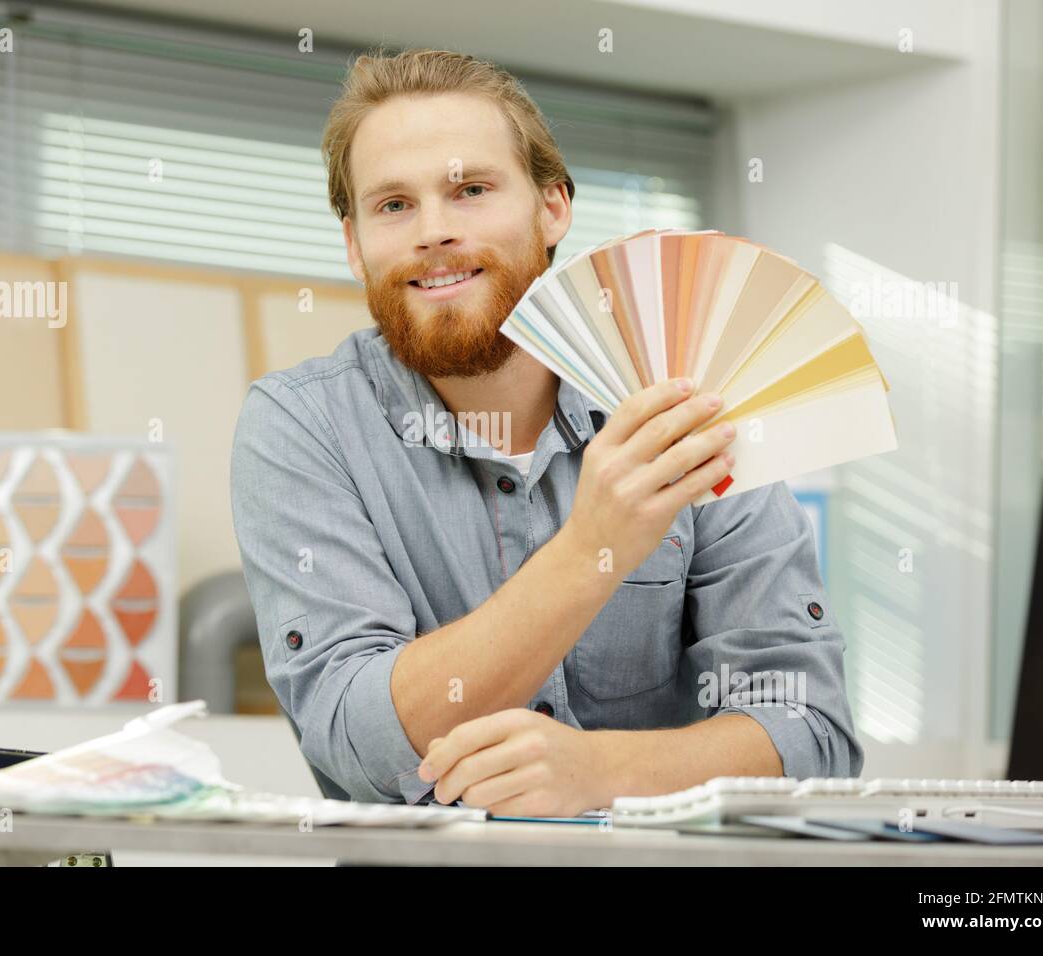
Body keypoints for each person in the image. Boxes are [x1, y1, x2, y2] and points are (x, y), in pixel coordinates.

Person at [231, 48, 862, 816]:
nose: (434, 231)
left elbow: (809, 730)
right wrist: (592, 546)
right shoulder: (301, 426)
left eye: (470, 190)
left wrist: (602, 770)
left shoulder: (688, 401)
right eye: (394, 205)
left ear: (552, 207)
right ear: (355, 242)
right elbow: (359, 745)